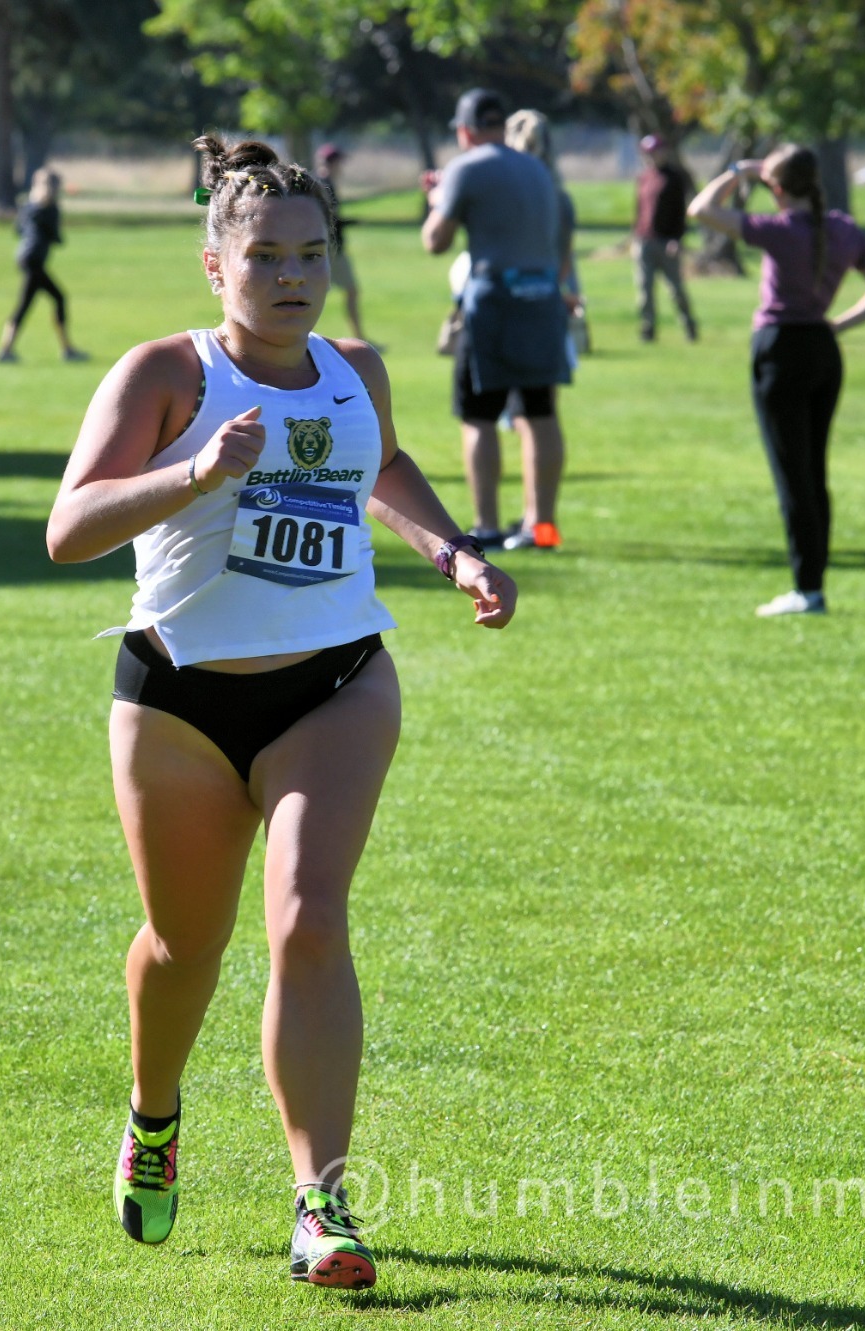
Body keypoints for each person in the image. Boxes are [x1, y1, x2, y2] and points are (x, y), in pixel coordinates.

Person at [46, 133, 517, 1292]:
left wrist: (451, 550)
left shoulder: (355, 365)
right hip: (179, 701)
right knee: (181, 945)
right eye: (265, 257)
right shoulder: (165, 373)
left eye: (311, 253)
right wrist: (194, 472)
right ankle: (153, 1116)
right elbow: (68, 529)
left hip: (336, 681)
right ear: (216, 264)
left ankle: (321, 1202)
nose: (291, 276)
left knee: (308, 921)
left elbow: (380, 465)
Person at [687, 143, 865, 616]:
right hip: (823, 351)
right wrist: (837, 325)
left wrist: (736, 174)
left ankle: (807, 590)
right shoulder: (843, 229)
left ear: (778, 188)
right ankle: (813, 582)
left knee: (792, 475)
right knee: (814, 472)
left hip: (779, 349)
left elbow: (701, 210)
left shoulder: (781, 230)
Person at [420, 88, 573, 552]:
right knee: (540, 412)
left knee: (479, 414)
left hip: (495, 302)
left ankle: (486, 524)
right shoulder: (540, 171)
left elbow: (436, 241)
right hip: (543, 298)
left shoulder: (467, 167)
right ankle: (541, 526)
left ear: (465, 130)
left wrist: (437, 200)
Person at [503, 109, 585, 371]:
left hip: (503, 304)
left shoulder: (502, 194)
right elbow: (565, 262)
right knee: (540, 402)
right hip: (546, 302)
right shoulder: (560, 198)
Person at [0, 167, 87, 363]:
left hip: (24, 258)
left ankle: (9, 348)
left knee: (42, 301)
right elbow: (55, 236)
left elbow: (18, 230)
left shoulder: (28, 205)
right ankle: (66, 350)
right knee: (50, 300)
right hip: (35, 260)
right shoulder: (51, 208)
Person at [632, 134, 697, 343]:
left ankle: (689, 327)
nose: (652, 157)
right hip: (644, 241)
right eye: (648, 153)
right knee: (644, 290)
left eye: (656, 152)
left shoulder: (674, 178)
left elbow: (681, 213)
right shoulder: (644, 177)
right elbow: (639, 210)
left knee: (675, 290)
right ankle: (648, 330)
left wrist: (677, 239)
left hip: (667, 242)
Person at [311, 144, 371, 345]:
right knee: (319, 293)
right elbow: (327, 219)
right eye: (339, 163)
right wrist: (350, 222)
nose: (341, 167)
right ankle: (358, 337)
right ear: (332, 163)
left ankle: (359, 336)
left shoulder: (325, 183)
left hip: (332, 248)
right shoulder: (323, 184)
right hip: (331, 250)